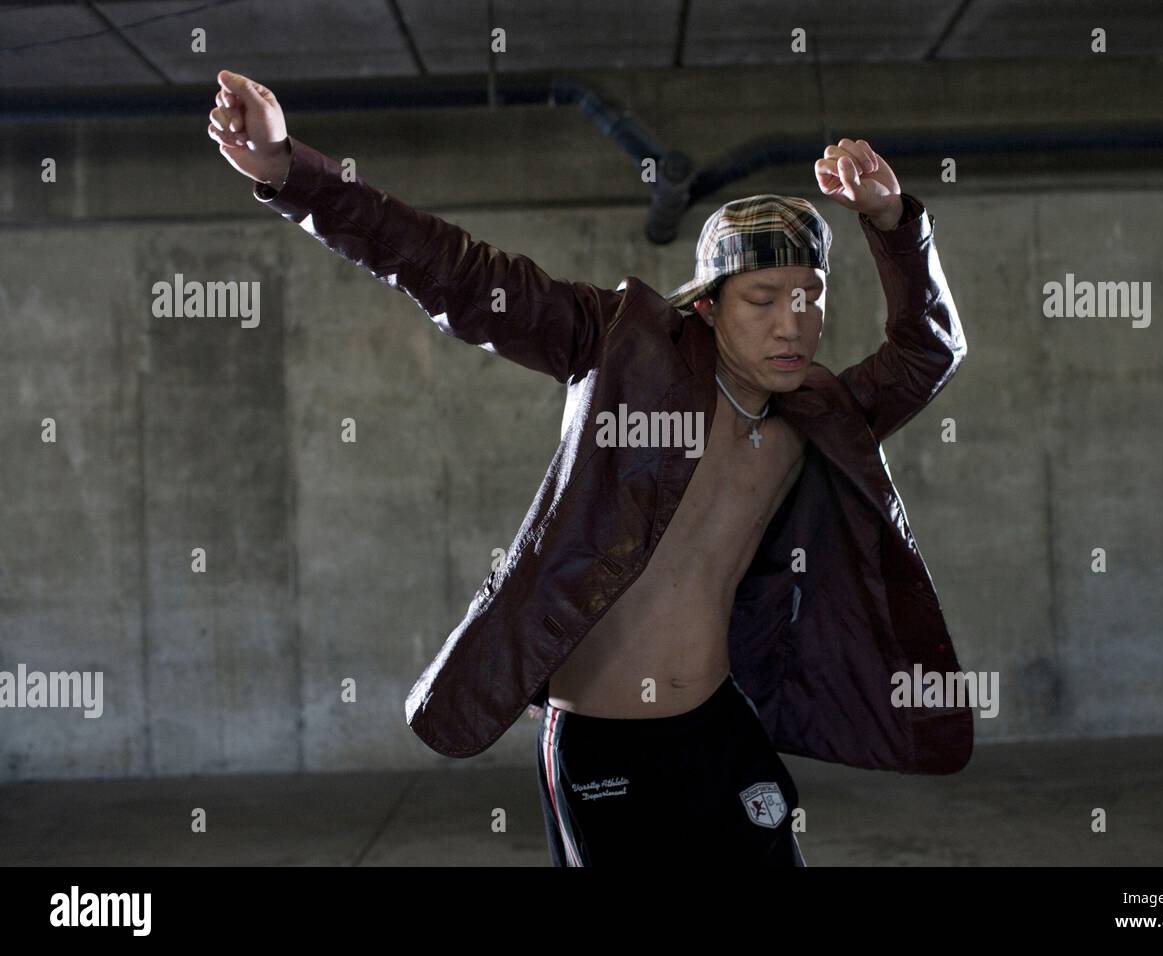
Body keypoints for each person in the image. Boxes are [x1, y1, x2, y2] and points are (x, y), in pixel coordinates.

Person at [207, 68, 970, 867]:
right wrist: (290, 172)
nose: (793, 324)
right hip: (604, 747)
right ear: (707, 306)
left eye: (810, 296)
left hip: (717, 725)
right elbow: (456, 275)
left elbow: (929, 351)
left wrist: (891, 222)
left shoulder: (814, 417)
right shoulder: (617, 348)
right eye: (764, 298)